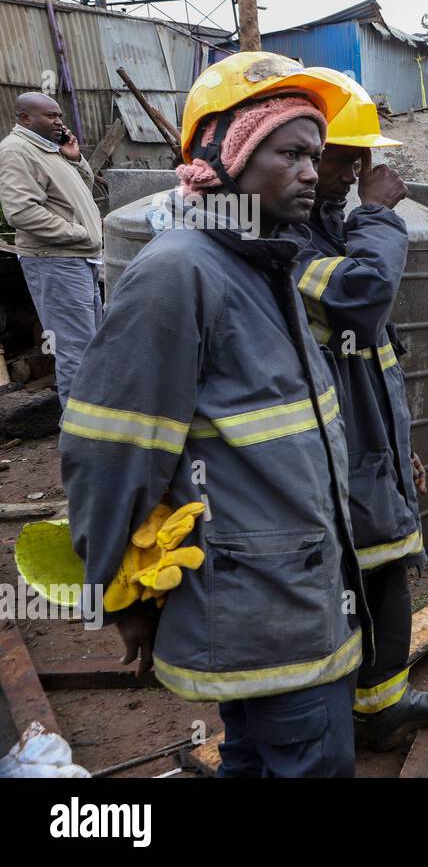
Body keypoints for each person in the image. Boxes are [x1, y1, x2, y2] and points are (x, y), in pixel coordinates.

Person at [60, 52, 368, 777]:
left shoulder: (263, 265)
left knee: (255, 762)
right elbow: (110, 450)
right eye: (289, 152)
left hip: (293, 598)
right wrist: (114, 589)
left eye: (314, 155)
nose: (308, 172)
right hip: (260, 619)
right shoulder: (179, 273)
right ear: (223, 157)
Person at [284, 70, 428, 751]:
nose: (358, 170)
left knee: (382, 572)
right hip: (329, 448)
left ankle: (378, 704)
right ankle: (369, 713)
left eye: (359, 158)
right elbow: (361, 296)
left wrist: (401, 448)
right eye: (341, 156)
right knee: (366, 574)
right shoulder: (292, 240)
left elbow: (371, 354)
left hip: (366, 438)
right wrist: (380, 213)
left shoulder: (327, 224)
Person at [0, 92, 103, 406]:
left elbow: (81, 192)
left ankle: (97, 424)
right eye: (50, 115)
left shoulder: (50, 150)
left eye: (59, 115)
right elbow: (21, 212)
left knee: (93, 346)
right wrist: (79, 234)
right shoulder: (17, 151)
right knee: (76, 350)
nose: (59, 121)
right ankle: (78, 435)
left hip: (79, 259)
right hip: (55, 262)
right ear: (25, 118)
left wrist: (76, 158)